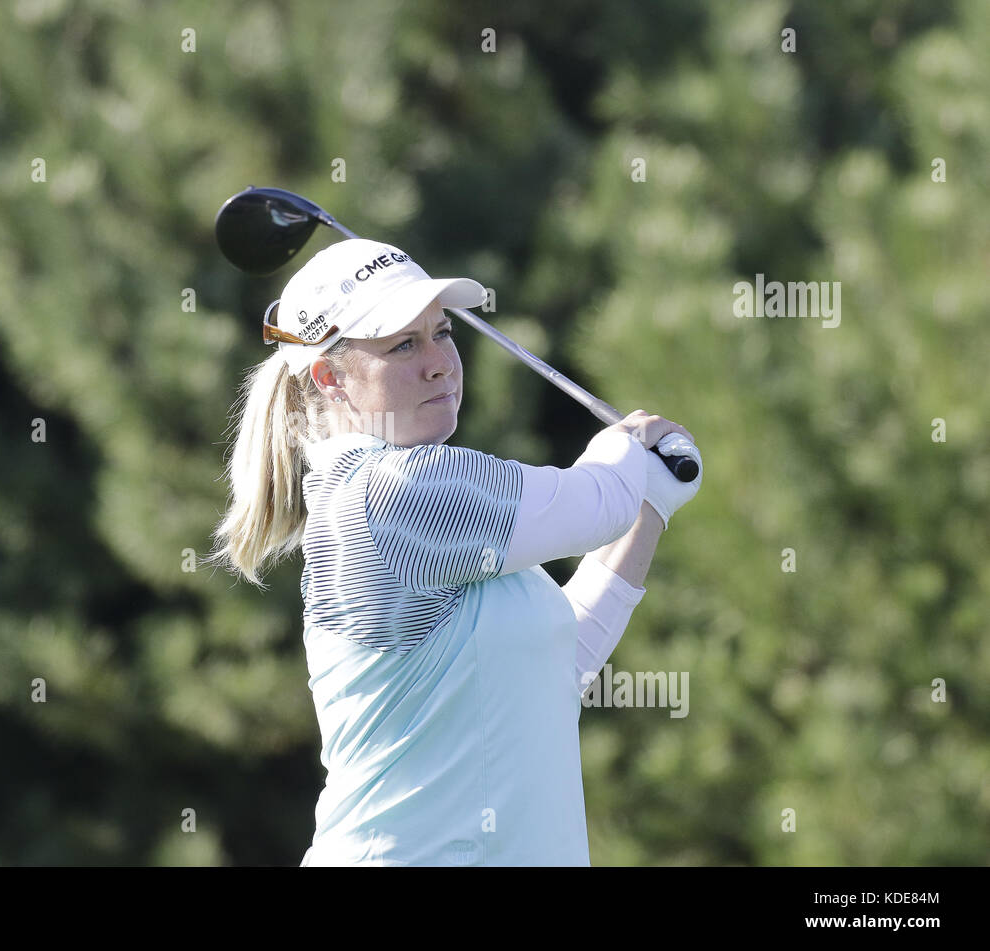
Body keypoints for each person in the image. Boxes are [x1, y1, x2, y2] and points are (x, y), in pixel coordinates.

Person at [206, 238, 703, 865]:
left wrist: (651, 502)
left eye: (442, 333)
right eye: (403, 345)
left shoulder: (413, 507)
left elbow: (555, 666)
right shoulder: (392, 492)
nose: (440, 362)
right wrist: (630, 445)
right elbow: (597, 503)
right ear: (329, 377)